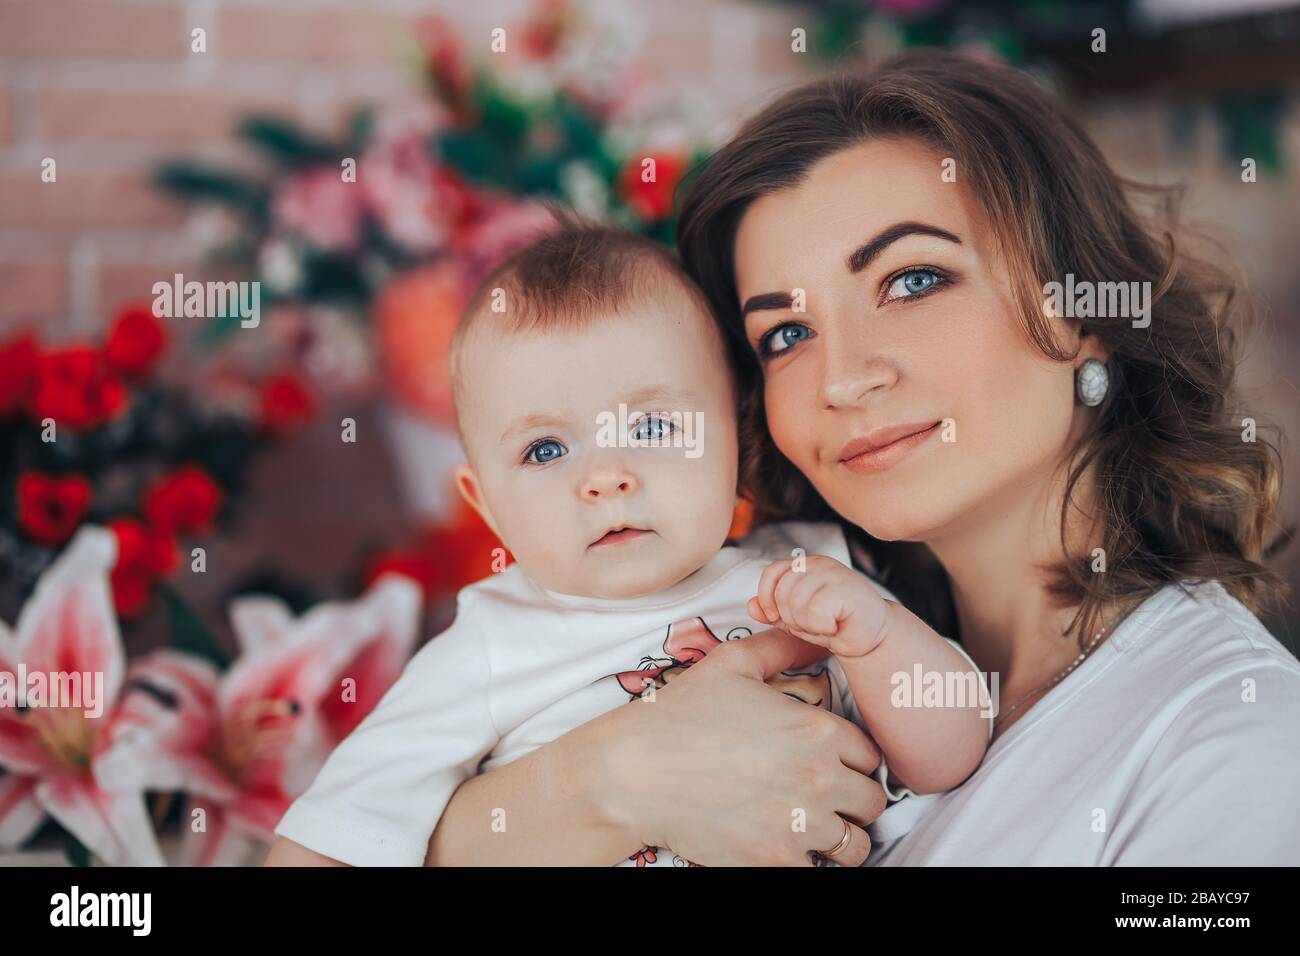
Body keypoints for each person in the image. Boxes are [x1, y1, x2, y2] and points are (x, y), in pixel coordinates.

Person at [267, 225, 990, 867]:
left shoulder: (810, 573)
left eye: (651, 429)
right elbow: (332, 839)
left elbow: (950, 756)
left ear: (735, 444)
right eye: (546, 449)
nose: (605, 478)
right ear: (484, 502)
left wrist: (879, 636)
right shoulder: (489, 648)